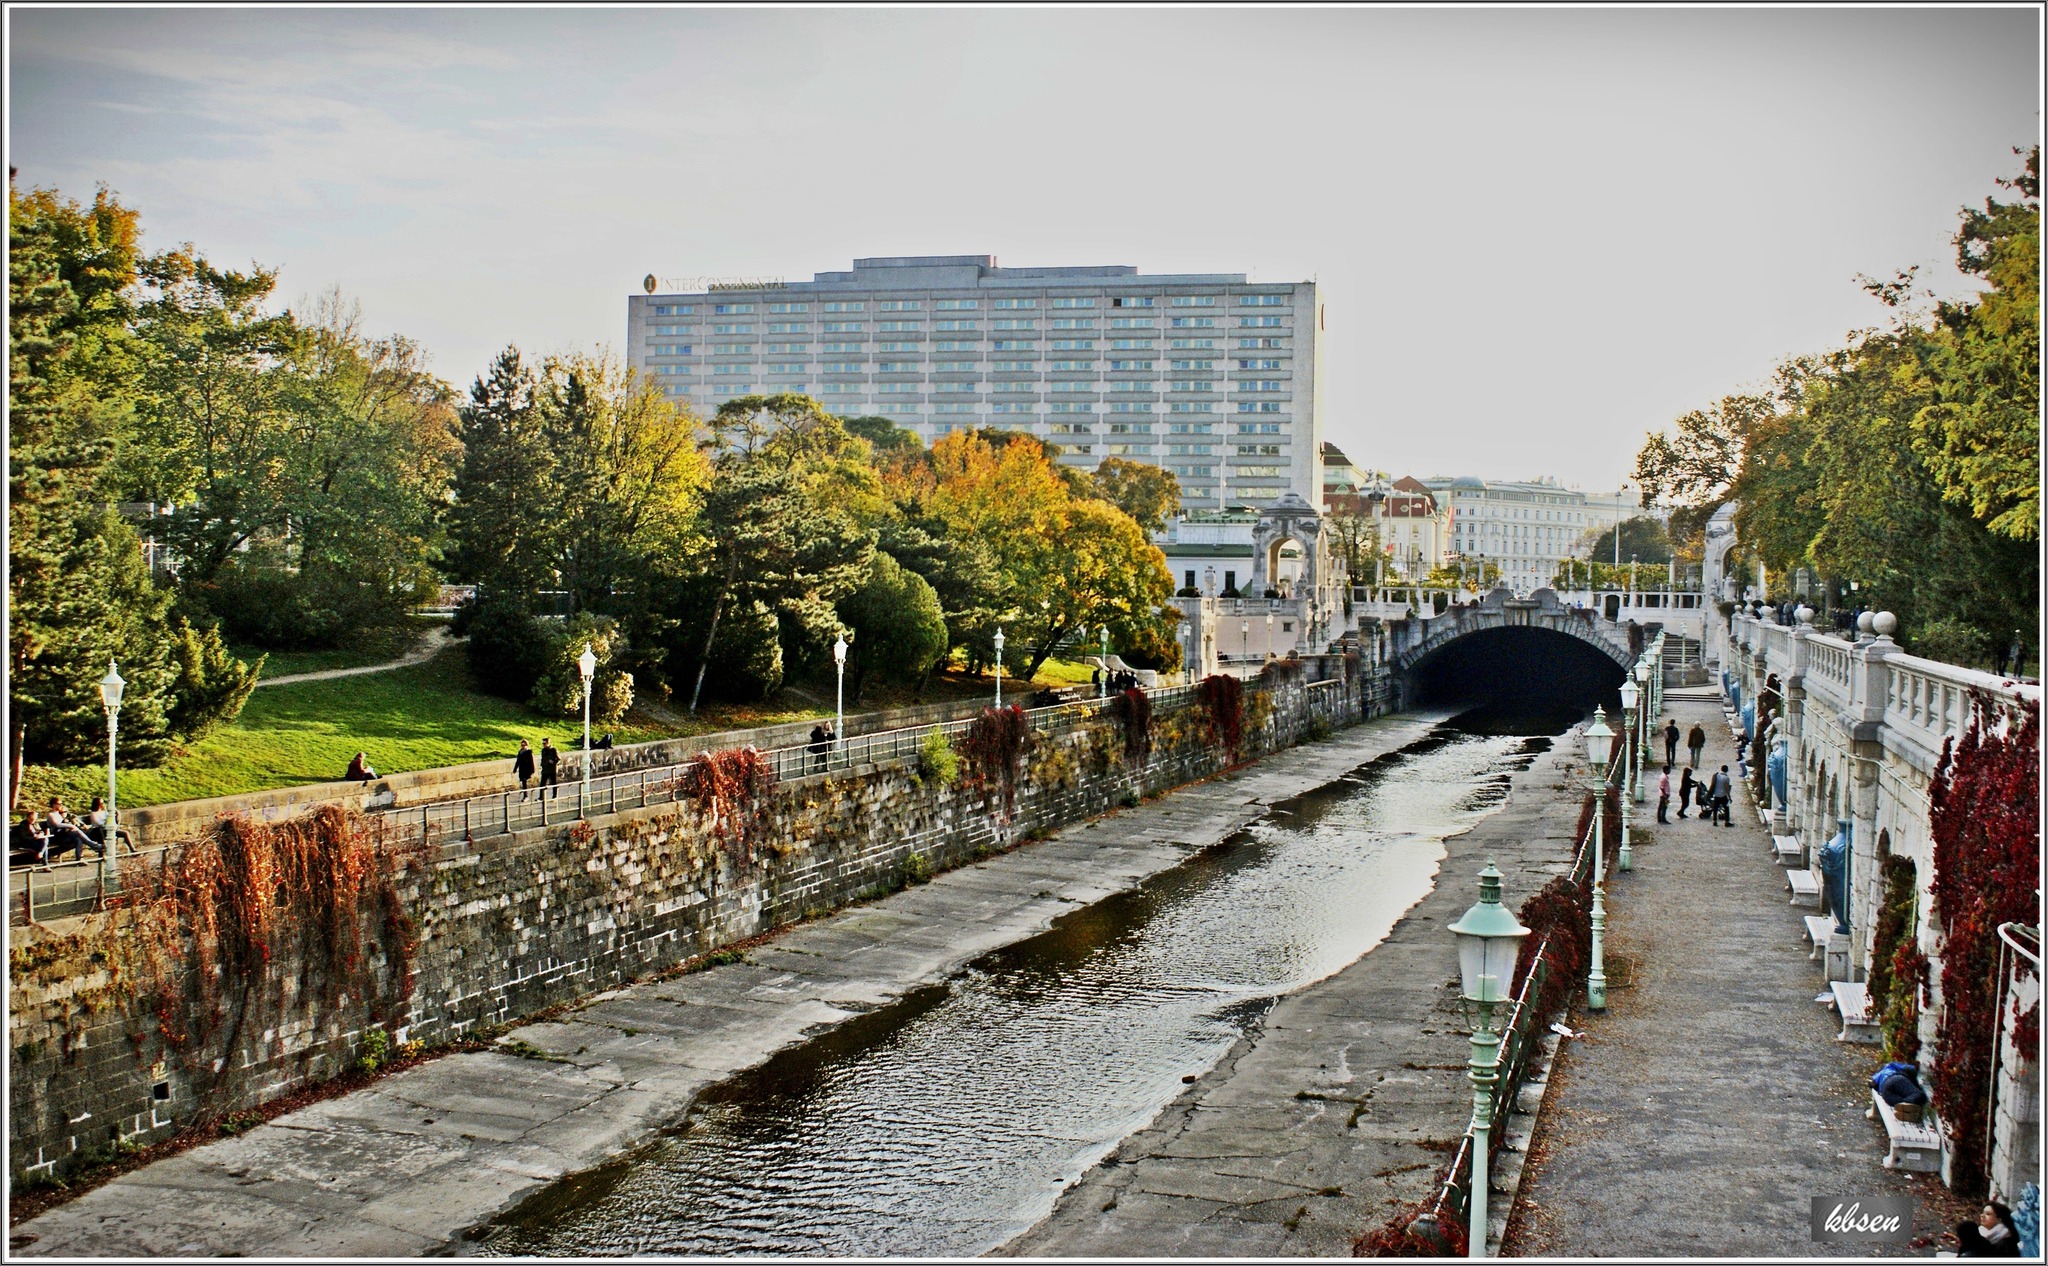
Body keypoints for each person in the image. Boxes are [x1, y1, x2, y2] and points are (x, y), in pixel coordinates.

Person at [45, 798, 101, 862]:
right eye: (59, 804)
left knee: (78, 838)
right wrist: (71, 826)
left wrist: (72, 825)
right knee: (77, 832)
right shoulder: (51, 814)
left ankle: (79, 858)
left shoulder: (58, 814)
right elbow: (57, 824)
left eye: (61, 804)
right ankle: (92, 844)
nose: (61, 805)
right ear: (54, 805)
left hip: (64, 834)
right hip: (57, 836)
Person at [1956, 1202, 2021, 1256]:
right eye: (1983, 1212)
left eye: (1988, 1214)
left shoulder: (2007, 1242)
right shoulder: (1978, 1234)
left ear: (1999, 1219)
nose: (1982, 1215)